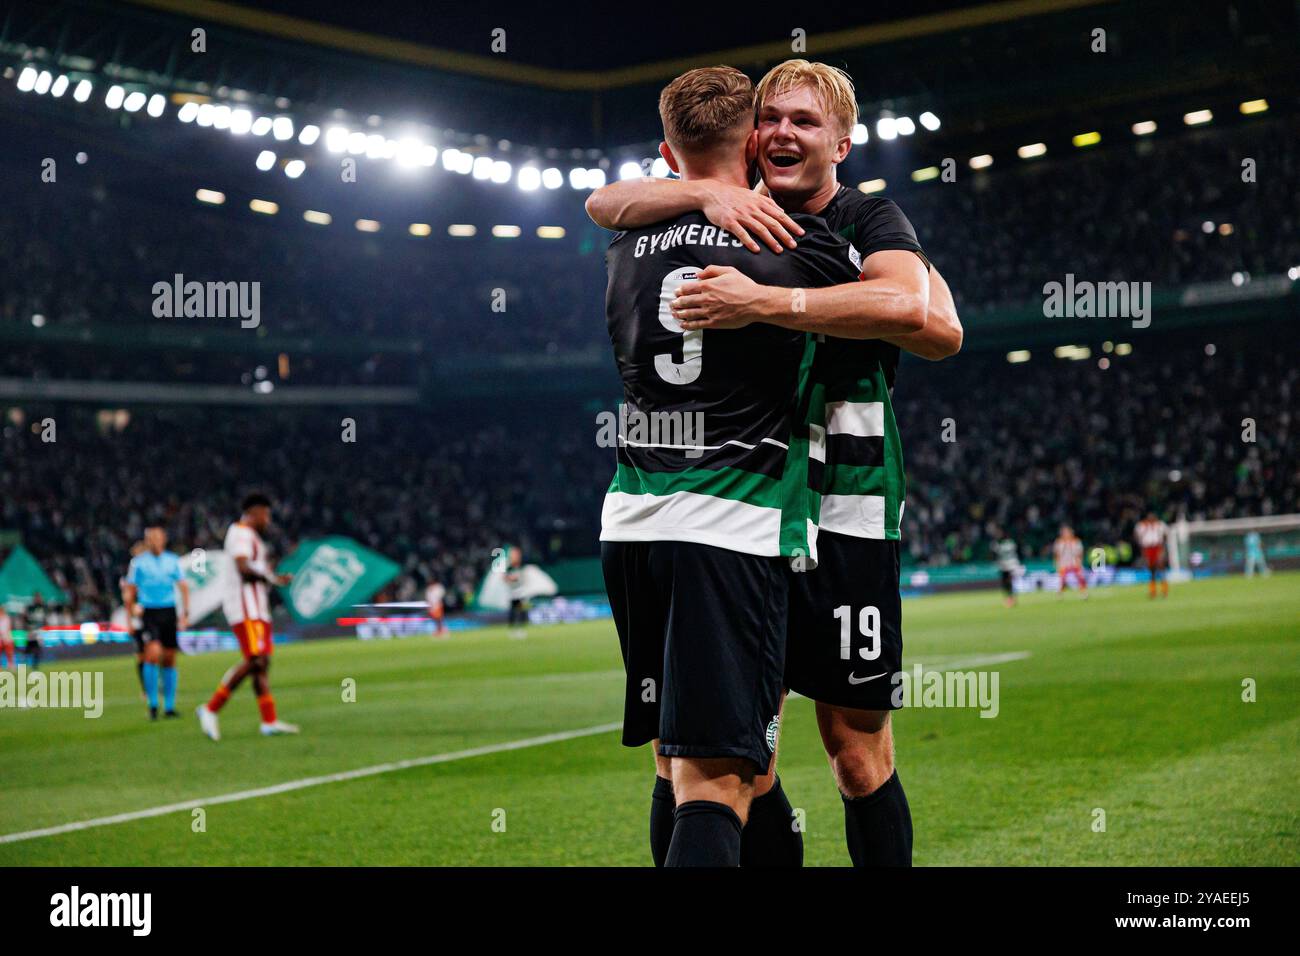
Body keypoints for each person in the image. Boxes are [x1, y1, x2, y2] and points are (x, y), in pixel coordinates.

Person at [588, 58, 962, 867]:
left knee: (854, 752)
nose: (784, 132)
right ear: (749, 137)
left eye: (804, 121)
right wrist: (703, 192)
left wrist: (763, 303)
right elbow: (600, 202)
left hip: (846, 502)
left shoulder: (867, 219)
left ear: (842, 143)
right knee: (727, 757)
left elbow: (930, 323)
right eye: (772, 119)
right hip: (752, 506)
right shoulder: (730, 211)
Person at [196, 493, 298, 740]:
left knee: (262, 663)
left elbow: (255, 569)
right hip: (245, 607)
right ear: (255, 513)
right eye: (266, 514)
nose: (268, 520)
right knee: (255, 660)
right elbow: (243, 568)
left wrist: (274, 578)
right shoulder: (240, 533)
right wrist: (269, 578)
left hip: (257, 608)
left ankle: (269, 720)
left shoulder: (251, 537)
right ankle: (211, 708)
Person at [123, 526, 189, 719]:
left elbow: (183, 586)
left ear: (164, 539)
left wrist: (185, 613)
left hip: (168, 611)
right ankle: (153, 704)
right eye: (149, 538)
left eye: (157, 537)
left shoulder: (173, 560)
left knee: (169, 658)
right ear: (147, 541)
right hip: (149, 613)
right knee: (152, 654)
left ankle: (169, 706)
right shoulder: (138, 564)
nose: (153, 541)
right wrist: (130, 617)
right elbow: (130, 592)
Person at [1134, 512, 1170, 598]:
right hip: (1148, 548)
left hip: (1157, 547)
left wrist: (1163, 548)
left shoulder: (1160, 524)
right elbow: (1137, 535)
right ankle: (1153, 591)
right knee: (1151, 570)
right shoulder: (1142, 525)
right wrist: (1141, 545)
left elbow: (1166, 535)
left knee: (1161, 568)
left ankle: (1164, 591)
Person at [1053, 526, 1088, 598]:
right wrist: (1057, 563)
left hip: (1074, 563)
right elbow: (1057, 554)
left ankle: (1083, 592)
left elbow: (1080, 553)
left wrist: (1079, 562)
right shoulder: (1059, 542)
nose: (1066, 534)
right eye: (1065, 532)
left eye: (1067, 532)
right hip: (1064, 564)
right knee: (1062, 579)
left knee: (1080, 578)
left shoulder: (1076, 541)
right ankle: (1060, 593)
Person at [993, 532, 1020, 608]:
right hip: (1008, 564)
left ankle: (1010, 598)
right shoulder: (1011, 543)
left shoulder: (1001, 545)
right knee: (1008, 582)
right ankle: (1010, 598)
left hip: (1007, 564)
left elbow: (996, 553)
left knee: (1007, 582)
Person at [0, 604, 14, 669]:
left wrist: (7, 637)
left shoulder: (6, 617)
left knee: (9, 653)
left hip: (6, 637)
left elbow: (8, 628)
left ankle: (10, 665)